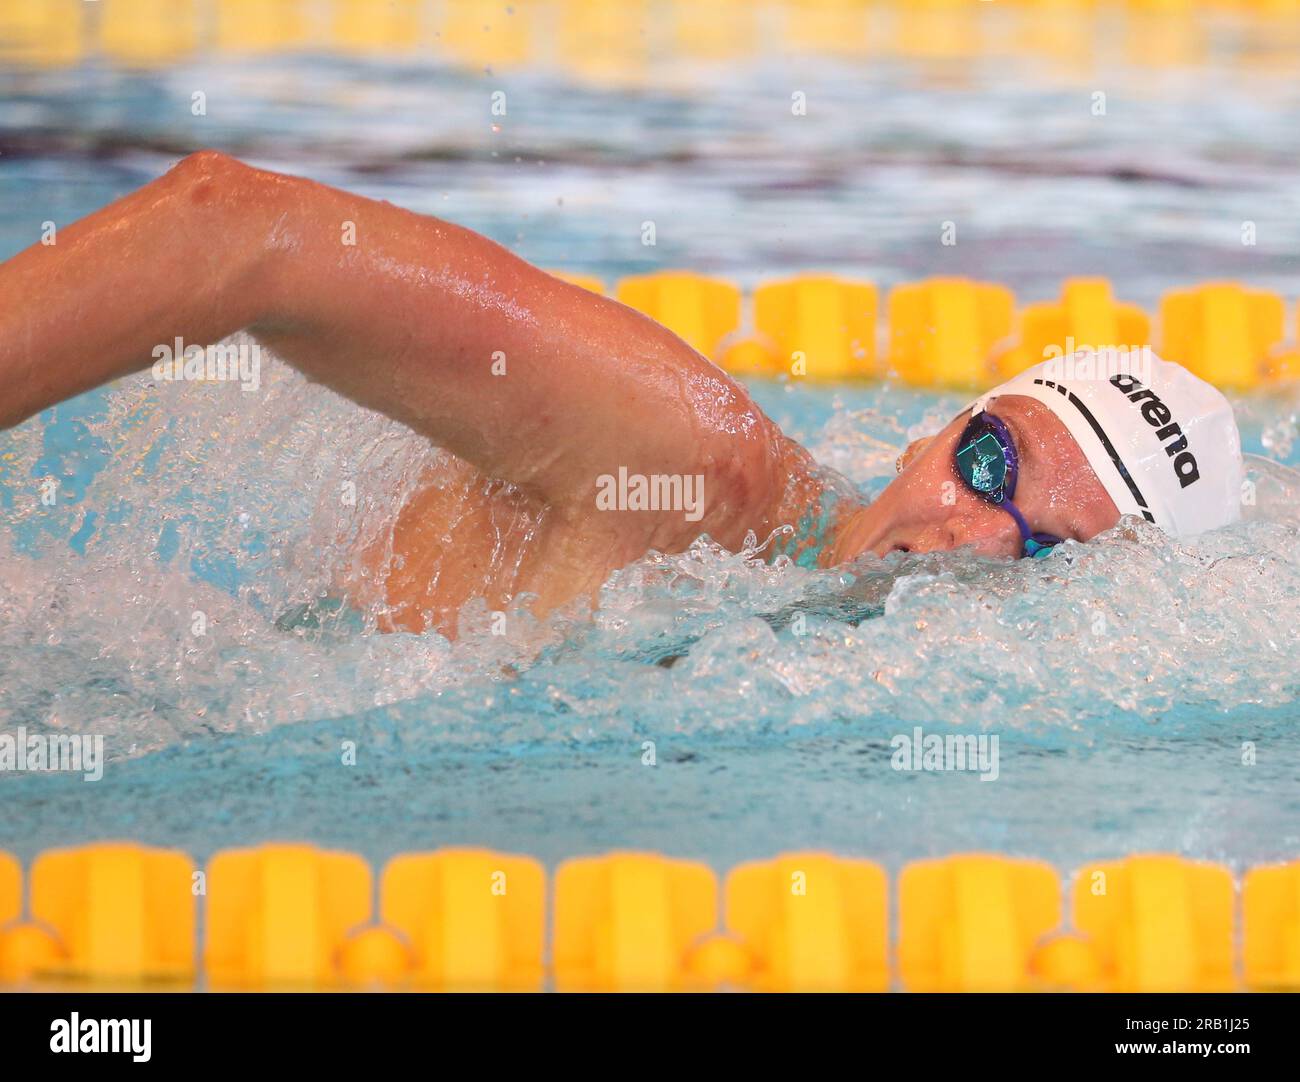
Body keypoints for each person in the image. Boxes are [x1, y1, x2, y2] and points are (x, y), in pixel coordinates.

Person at [0, 152, 1244, 635]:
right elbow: (244, 229)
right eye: (988, 462)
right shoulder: (692, 470)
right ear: (941, 421)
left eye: (1043, 556)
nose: (964, 536)